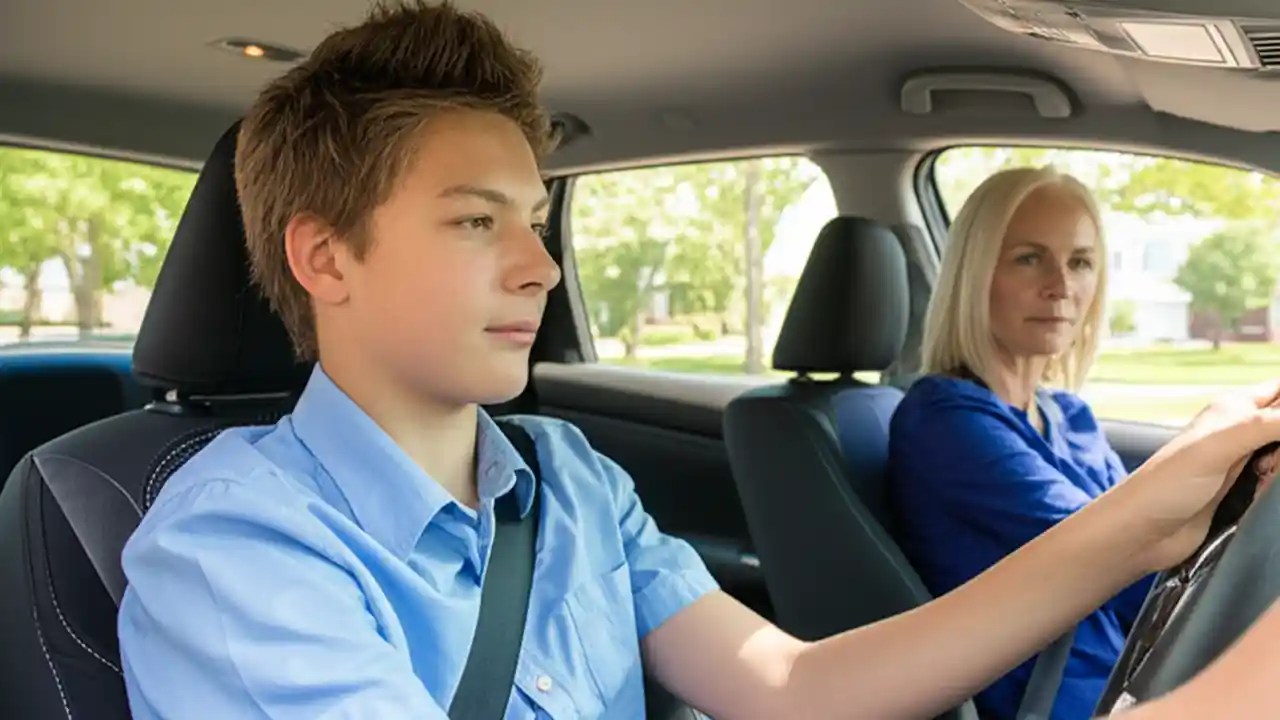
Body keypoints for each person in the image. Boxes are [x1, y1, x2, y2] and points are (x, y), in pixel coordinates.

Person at [117, 3, 1280, 718]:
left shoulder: (567, 480)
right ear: (325, 258)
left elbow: (794, 688)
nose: (540, 267)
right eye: (478, 222)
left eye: (536, 220)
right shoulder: (232, 545)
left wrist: (1146, 519)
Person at [887, 167, 1155, 719]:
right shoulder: (945, 421)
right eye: (1029, 258)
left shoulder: (1069, 416)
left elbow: (1149, 572)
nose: (1060, 285)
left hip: (1133, 684)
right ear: (975, 274)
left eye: (1080, 262)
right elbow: (1127, 553)